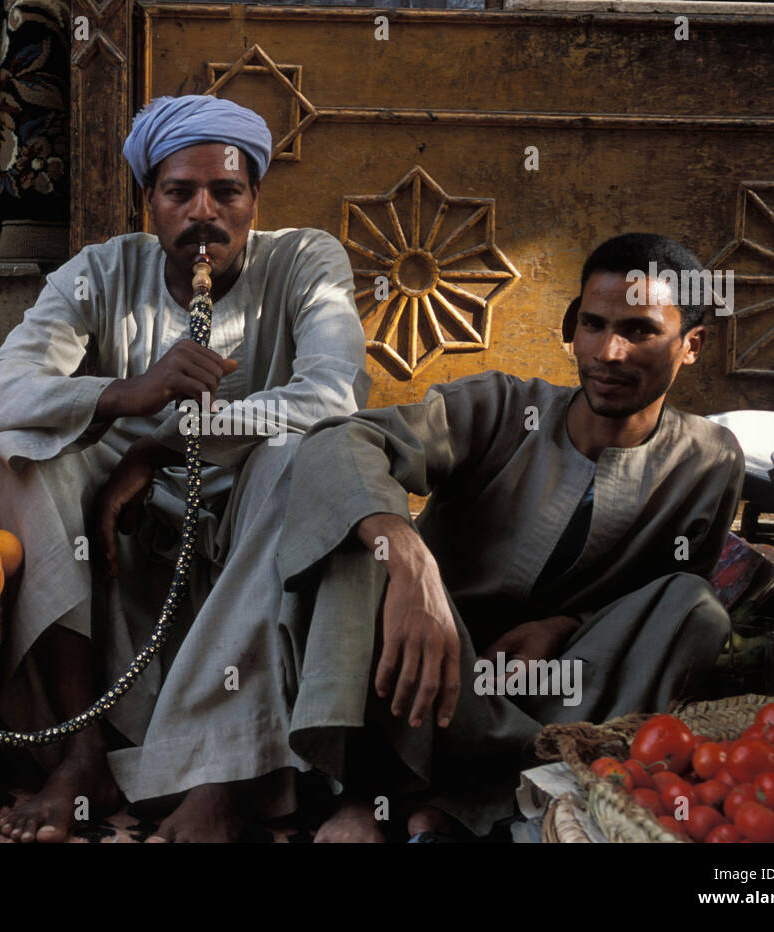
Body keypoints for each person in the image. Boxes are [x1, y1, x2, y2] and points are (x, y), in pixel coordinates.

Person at [0, 94, 370, 842]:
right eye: (179, 192)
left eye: (227, 192)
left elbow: (335, 395)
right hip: (127, 547)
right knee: (21, 453)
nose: (203, 212)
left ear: (256, 200)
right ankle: (83, 752)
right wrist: (121, 396)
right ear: (149, 200)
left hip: (252, 527)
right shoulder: (104, 271)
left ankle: (221, 777)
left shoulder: (305, 261)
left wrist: (163, 440)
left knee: (298, 452)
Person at [275, 232, 745, 842]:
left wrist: (567, 625)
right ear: (571, 327)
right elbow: (339, 442)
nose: (609, 352)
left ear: (692, 346)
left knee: (695, 607)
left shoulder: (709, 460)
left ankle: (491, 798)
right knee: (361, 540)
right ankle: (362, 791)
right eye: (594, 324)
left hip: (551, 704)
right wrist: (413, 565)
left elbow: (659, 596)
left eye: (639, 331)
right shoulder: (501, 407)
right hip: (420, 673)